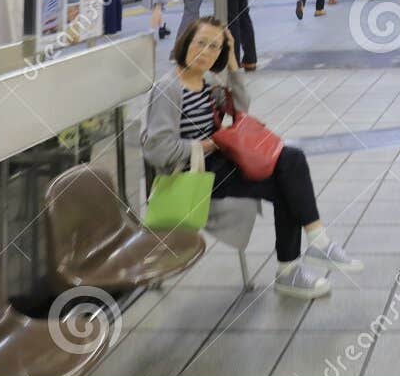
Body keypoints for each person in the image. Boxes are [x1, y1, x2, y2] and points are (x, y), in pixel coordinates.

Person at [143, 18, 361, 299]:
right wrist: (210, 143)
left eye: (215, 47)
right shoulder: (168, 89)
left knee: (291, 159)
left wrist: (233, 62)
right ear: (185, 42)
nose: (206, 52)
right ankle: (294, 265)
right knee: (286, 185)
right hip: (193, 175)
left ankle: (310, 248)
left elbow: (240, 109)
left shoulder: (208, 80)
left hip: (219, 164)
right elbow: (157, 149)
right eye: (200, 43)